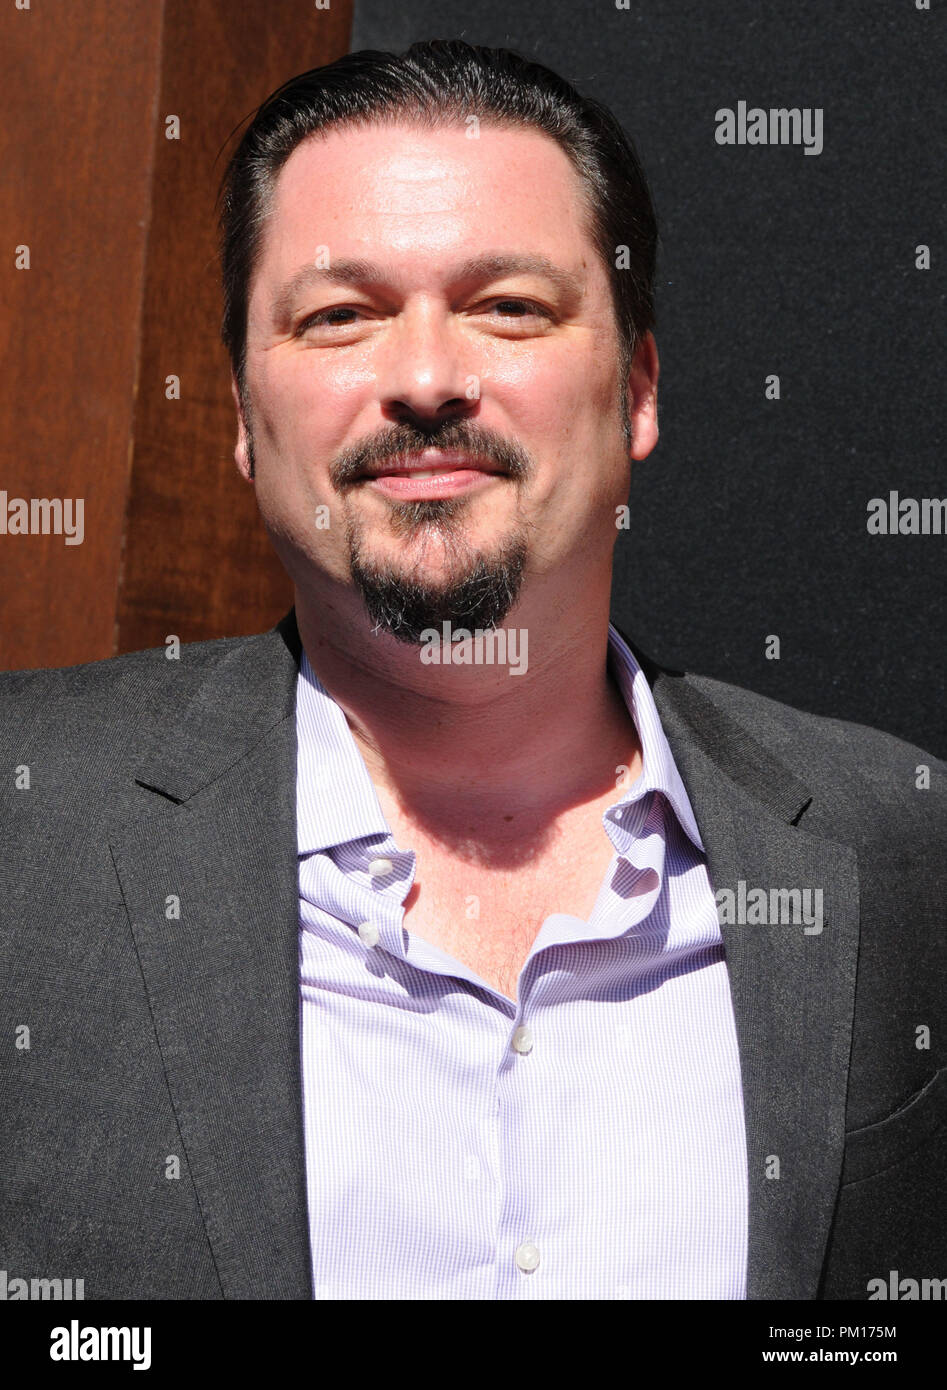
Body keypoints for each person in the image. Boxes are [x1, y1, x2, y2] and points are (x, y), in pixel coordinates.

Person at [1, 39, 944, 1302]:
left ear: (638, 388)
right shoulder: (26, 834)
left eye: (508, 305)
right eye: (339, 316)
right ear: (237, 410)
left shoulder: (900, 852)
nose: (427, 380)